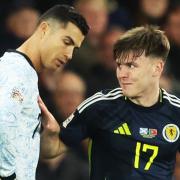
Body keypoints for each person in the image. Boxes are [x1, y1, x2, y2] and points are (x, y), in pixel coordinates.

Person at [39, 25, 180, 180]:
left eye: (131, 66)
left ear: (157, 68)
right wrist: (49, 135)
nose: (122, 74)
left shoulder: (176, 112)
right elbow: (51, 150)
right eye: (119, 65)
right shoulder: (100, 106)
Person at [0, 4, 89, 180]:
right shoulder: (16, 71)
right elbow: (4, 121)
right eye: (67, 42)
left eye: (75, 48)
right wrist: (8, 176)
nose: (70, 54)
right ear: (44, 29)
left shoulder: (23, 71)